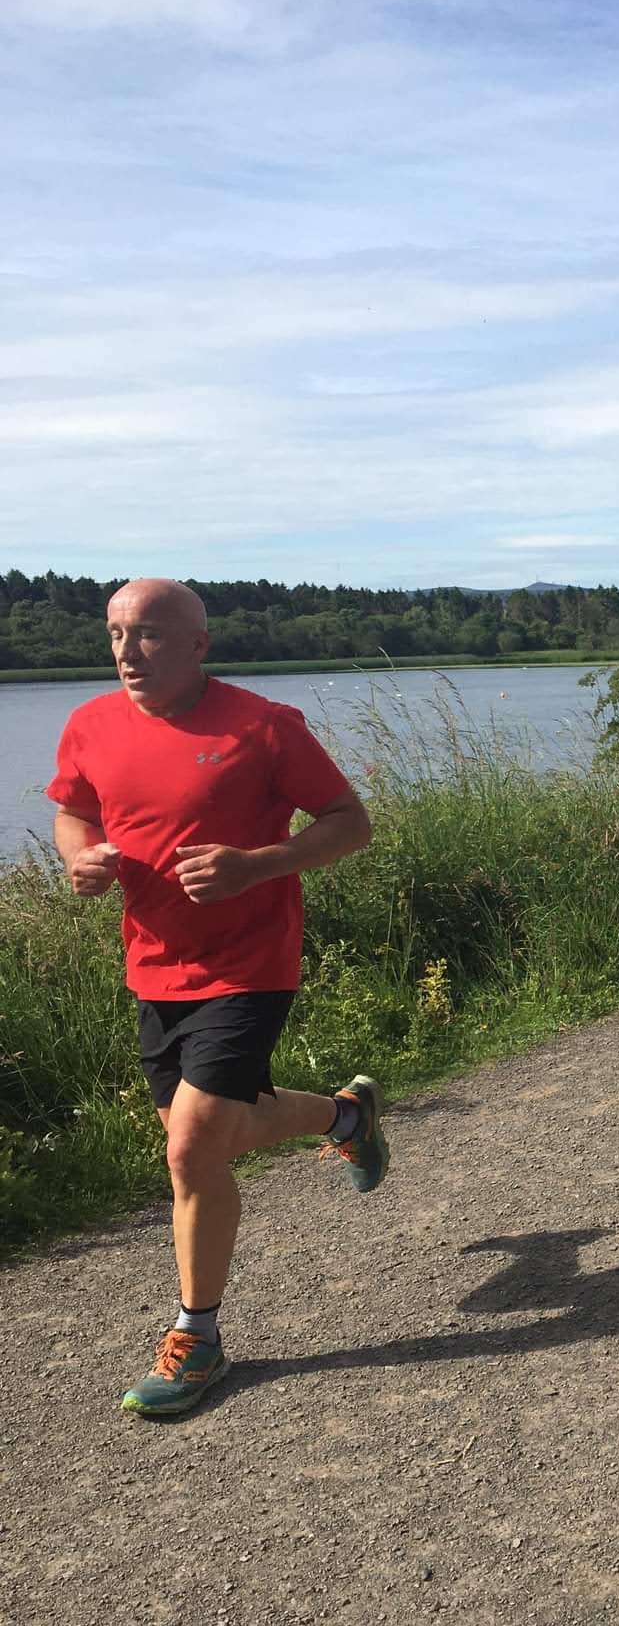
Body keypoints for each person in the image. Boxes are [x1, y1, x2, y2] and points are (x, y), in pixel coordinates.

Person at [48, 578, 388, 1419]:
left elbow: (351, 821)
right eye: (117, 634)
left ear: (200, 644)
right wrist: (80, 857)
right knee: (218, 1136)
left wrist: (257, 864)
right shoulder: (91, 724)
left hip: (249, 964)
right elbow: (73, 811)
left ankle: (197, 1338)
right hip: (154, 965)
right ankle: (348, 1117)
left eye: (151, 635)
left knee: (193, 1148)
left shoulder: (262, 727)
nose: (129, 651)